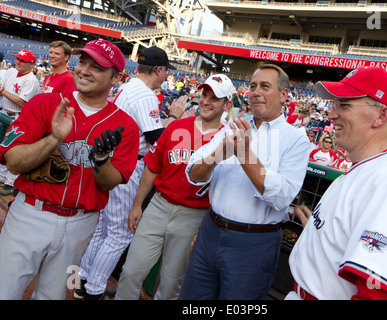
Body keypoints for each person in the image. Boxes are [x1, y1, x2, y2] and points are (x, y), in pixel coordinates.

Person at [0, 39, 140, 300]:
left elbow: (110, 183)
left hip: (80, 223)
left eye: (96, 66)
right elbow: (14, 162)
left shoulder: (126, 126)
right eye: (82, 62)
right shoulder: (43, 104)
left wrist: (100, 160)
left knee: (52, 296)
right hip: (30, 212)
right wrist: (53, 139)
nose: (84, 70)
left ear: (116, 77)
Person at [287, 66, 387, 300]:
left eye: (345, 105)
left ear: (381, 116)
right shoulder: (367, 166)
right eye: (334, 104)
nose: (331, 114)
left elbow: (378, 295)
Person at [179, 64, 310, 300]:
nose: (256, 91)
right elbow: (193, 174)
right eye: (252, 86)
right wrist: (219, 153)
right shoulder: (232, 128)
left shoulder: (296, 139)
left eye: (265, 86)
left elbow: (282, 198)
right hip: (211, 231)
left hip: (254, 243)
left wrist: (244, 154)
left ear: (283, 95)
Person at [115, 74, 234, 300]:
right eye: (204, 95)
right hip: (159, 205)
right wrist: (137, 204)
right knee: (131, 271)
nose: (206, 101)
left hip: (194, 215)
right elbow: (152, 167)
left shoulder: (229, 139)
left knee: (171, 283)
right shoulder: (177, 126)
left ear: (227, 104)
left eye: (214, 98)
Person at [75, 46, 179, 300]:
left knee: (102, 229)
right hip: (127, 165)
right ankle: (94, 290)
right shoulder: (144, 94)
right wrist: (175, 118)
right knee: (119, 234)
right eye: (166, 71)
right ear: (159, 70)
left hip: (112, 160)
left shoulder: (130, 86)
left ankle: (84, 281)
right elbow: (156, 138)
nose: (166, 76)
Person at [0, 49, 40, 196]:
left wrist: (3, 91)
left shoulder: (32, 80)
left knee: (13, 150)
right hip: (4, 112)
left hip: (18, 117)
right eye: (17, 59)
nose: (17, 62)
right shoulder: (11, 71)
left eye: (22, 60)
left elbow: (22, 102)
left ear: (31, 64)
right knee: (2, 146)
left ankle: (11, 183)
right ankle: (2, 177)